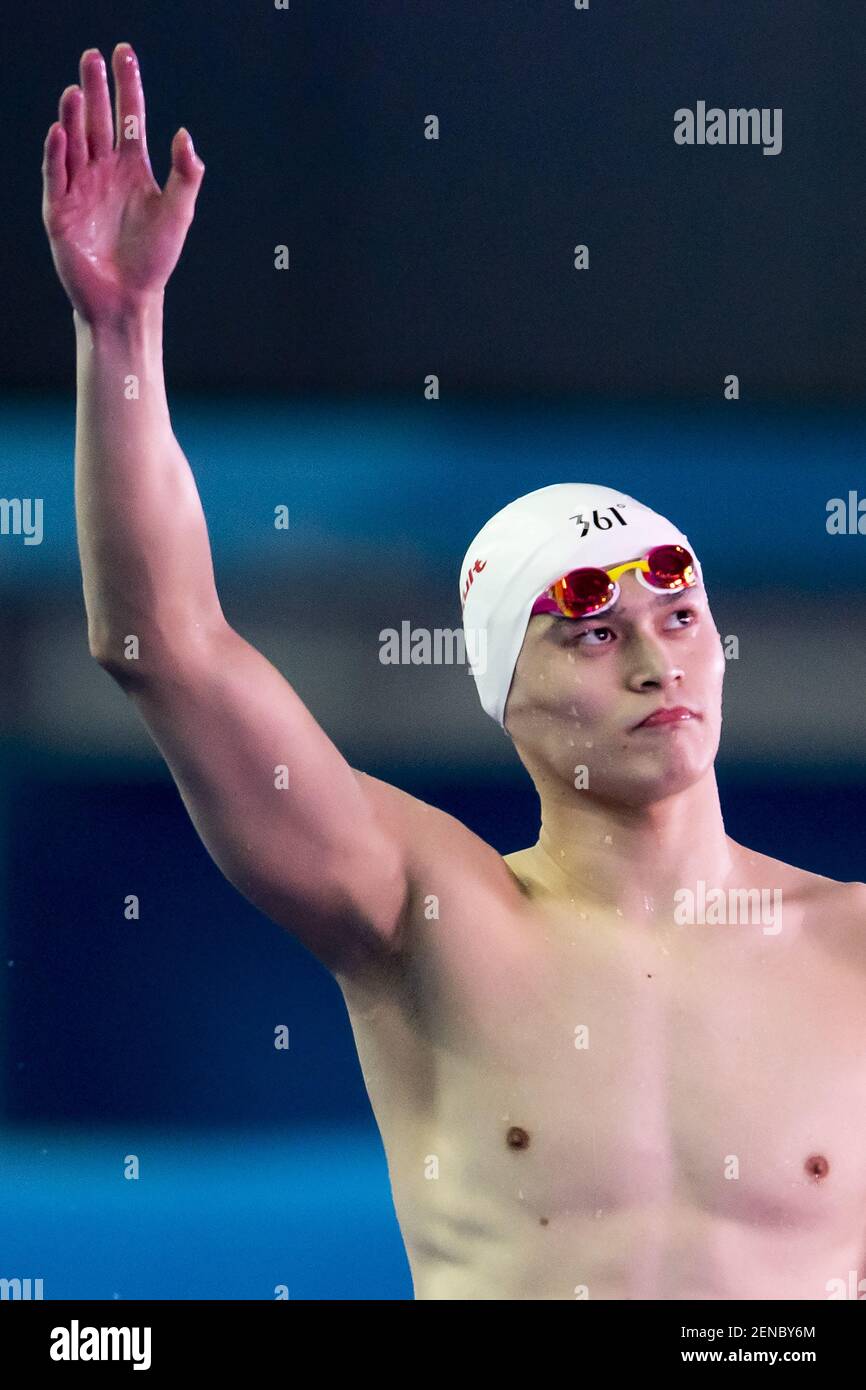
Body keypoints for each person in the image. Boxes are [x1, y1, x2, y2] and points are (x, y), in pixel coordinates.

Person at [42, 42, 866, 1302]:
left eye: (680, 614)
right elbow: (165, 643)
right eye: (592, 631)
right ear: (502, 694)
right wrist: (121, 331)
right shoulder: (427, 913)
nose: (656, 658)